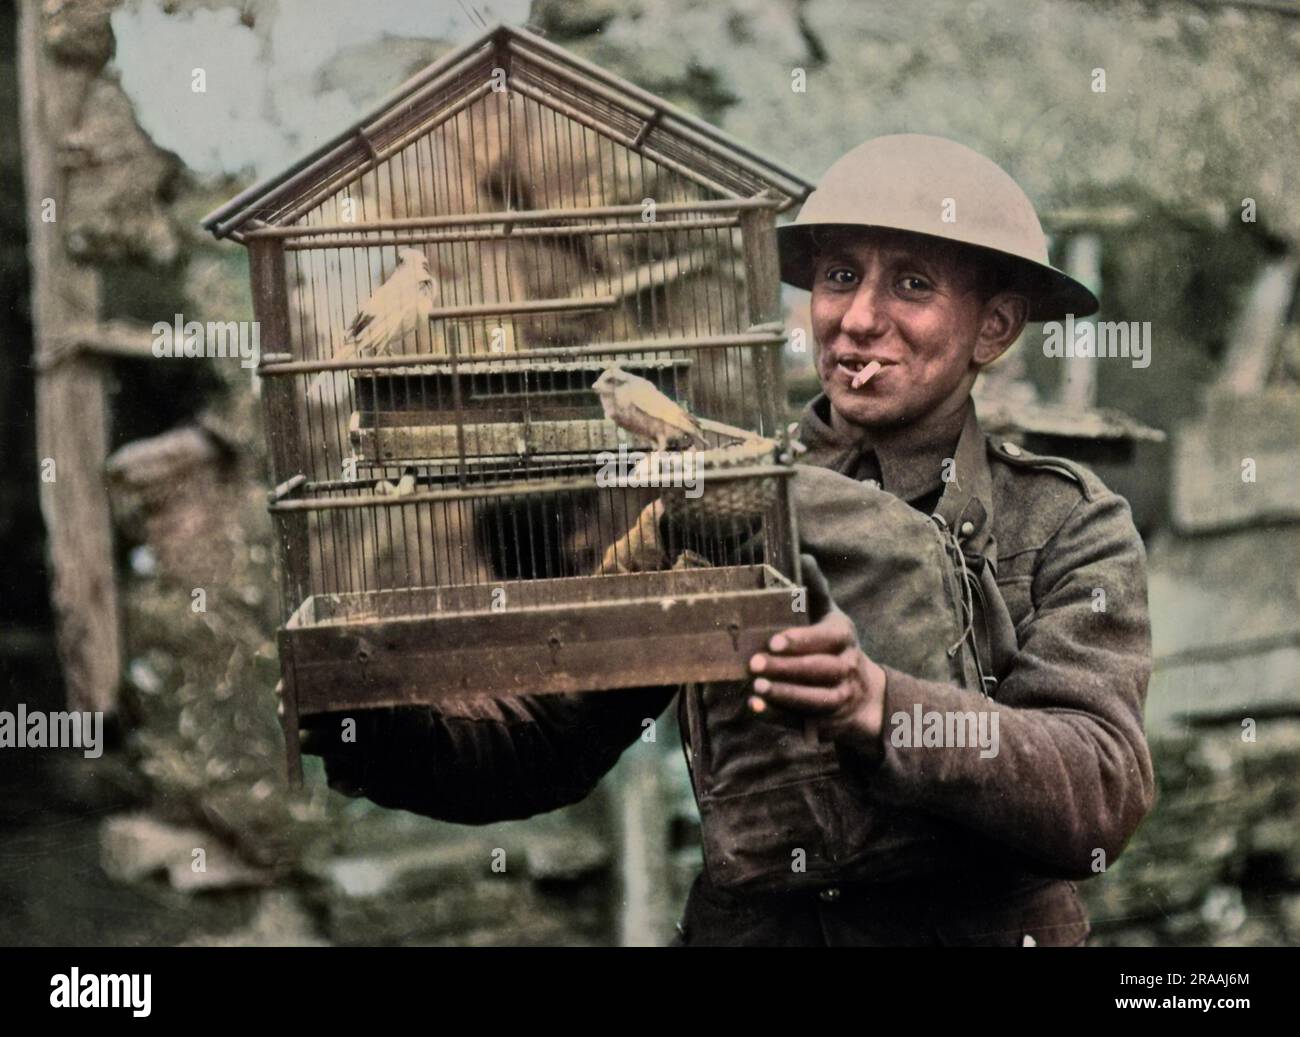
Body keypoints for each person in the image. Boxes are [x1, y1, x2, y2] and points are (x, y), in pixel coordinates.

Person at [303, 134, 1155, 947]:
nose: (858, 317)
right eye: (840, 275)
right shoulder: (717, 495)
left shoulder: (1062, 521)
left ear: (996, 327)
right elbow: (549, 738)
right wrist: (370, 724)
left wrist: (877, 705)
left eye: (913, 285)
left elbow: (1099, 785)